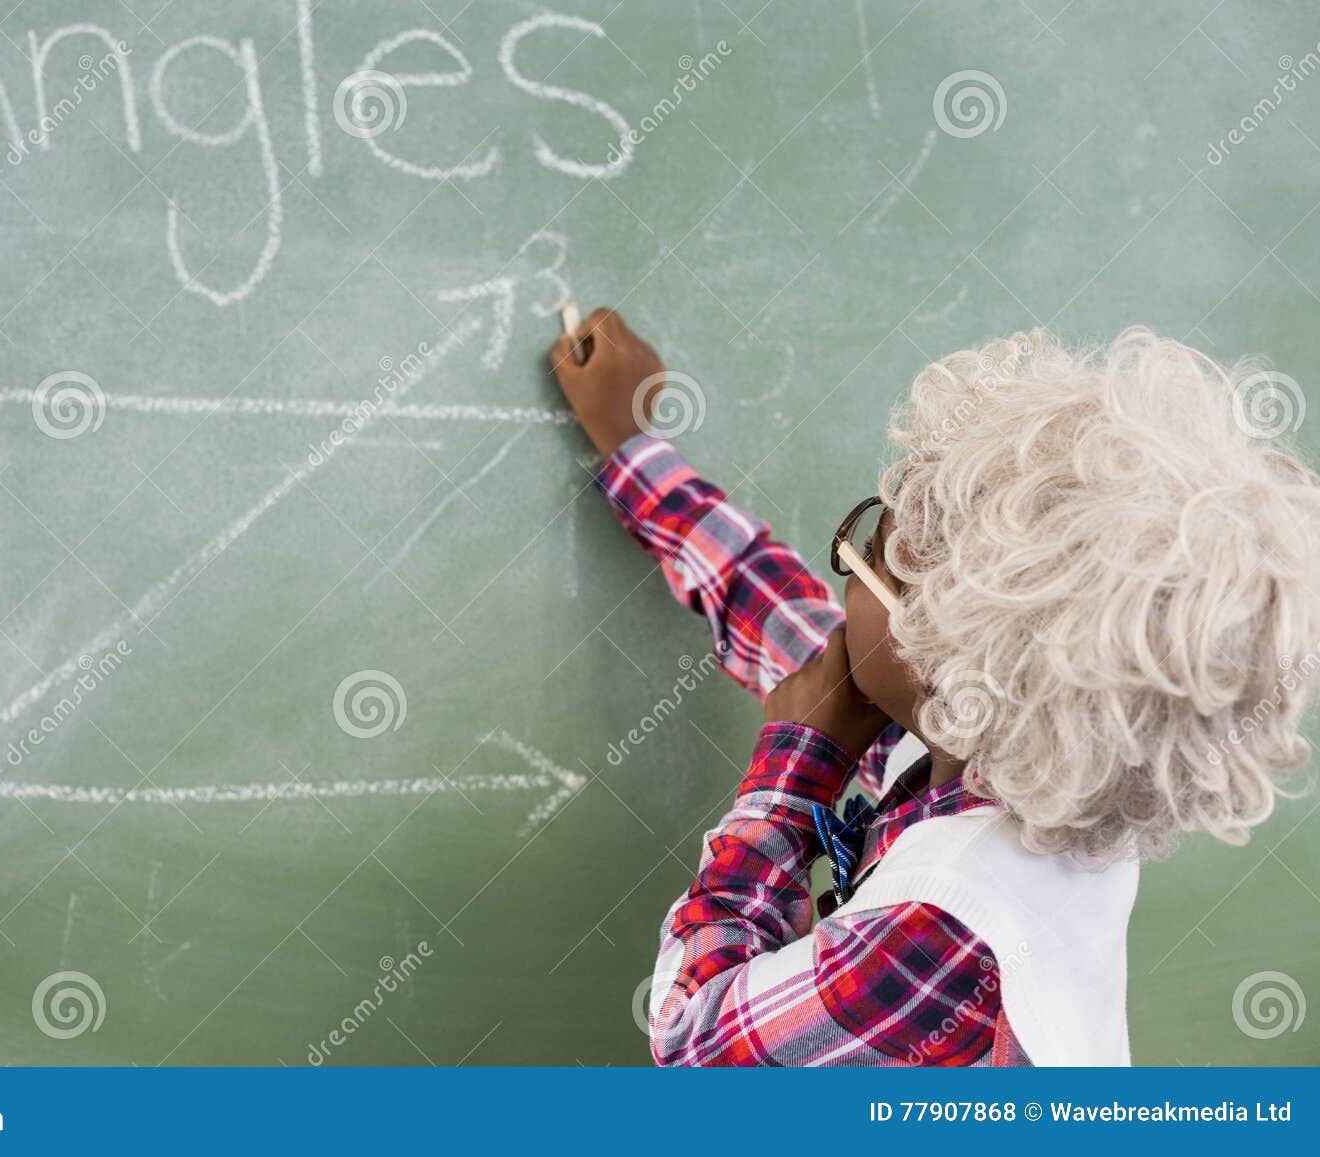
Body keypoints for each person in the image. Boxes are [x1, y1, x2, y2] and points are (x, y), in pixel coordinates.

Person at [549, 311, 1320, 1066]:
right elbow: (806, 636)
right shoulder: (1035, 741)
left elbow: (695, 1044)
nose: (848, 571)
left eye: (873, 554)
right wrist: (633, 449)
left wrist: (790, 772)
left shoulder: (947, 927)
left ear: (948, 656)